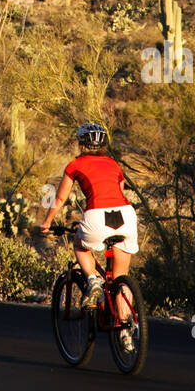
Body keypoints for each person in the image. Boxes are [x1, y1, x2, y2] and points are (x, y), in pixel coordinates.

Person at [40, 122, 139, 343]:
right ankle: (126, 332)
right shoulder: (114, 164)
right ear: (104, 144)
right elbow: (119, 193)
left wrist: (47, 222)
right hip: (125, 215)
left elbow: (60, 198)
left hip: (96, 214)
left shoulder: (75, 165)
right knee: (122, 278)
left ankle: (93, 280)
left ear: (81, 143)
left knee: (79, 245)